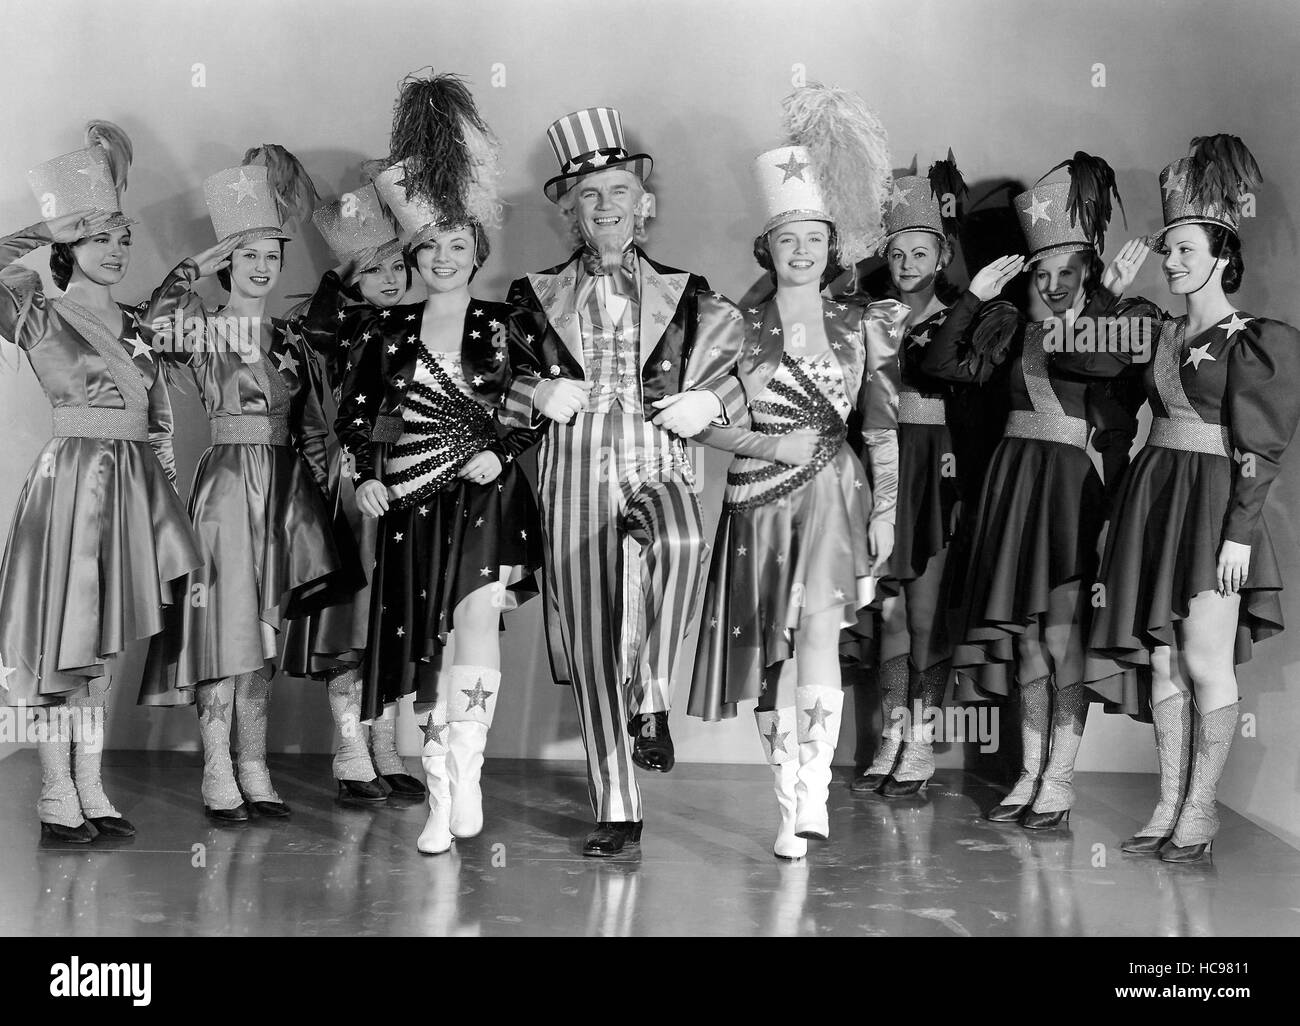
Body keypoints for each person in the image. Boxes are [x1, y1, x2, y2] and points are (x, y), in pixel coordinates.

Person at [501, 105, 747, 856]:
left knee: (678, 536)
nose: (605, 207)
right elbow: (491, 383)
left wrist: (714, 399)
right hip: (572, 463)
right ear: (572, 213)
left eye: (617, 192)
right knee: (596, 634)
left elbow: (741, 373)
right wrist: (534, 395)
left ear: (644, 205)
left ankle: (655, 695)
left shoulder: (689, 292)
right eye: (589, 196)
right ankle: (617, 807)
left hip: (654, 452)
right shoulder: (531, 294)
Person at [688, 84, 902, 859]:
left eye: (815, 238)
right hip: (758, 500)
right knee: (768, 647)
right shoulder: (732, 323)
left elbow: (881, 423)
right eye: (790, 240)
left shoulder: (863, 323)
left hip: (837, 494)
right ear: (768, 248)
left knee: (819, 634)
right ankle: (786, 797)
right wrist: (766, 447)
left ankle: (809, 798)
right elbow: (705, 423)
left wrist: (885, 512)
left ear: (831, 244)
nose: (803, 251)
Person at [1082, 136, 1300, 862]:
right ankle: (1169, 805)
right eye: (1166, 249)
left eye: (1181, 249)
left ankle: (1200, 811)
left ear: (1219, 251)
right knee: (1163, 662)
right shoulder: (1157, 329)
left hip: (1213, 507)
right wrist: (1106, 294)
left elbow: (1261, 449)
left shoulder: (1255, 341)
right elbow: (1078, 354)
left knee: (1206, 659)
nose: (1170, 261)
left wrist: (1239, 534)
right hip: (1155, 498)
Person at [343, 71, 542, 854]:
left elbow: (539, 398)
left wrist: (504, 451)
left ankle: (469, 774)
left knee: (477, 623)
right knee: (423, 634)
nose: (446, 256)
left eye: (459, 244)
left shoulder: (507, 322)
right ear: (414, 251)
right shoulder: (383, 332)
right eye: (431, 245)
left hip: (487, 495)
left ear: (476, 248)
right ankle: (437, 786)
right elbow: (363, 416)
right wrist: (365, 474)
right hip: (411, 497)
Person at [920, 152, 1139, 828]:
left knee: (1063, 635)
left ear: (1086, 270)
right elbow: (944, 364)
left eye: (1065, 273)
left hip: (1073, 489)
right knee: (1027, 642)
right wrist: (979, 298)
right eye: (1041, 273)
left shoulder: (1122, 319)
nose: (1050, 283)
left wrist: (1103, 298)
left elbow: (1096, 360)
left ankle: (1062, 779)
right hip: (1016, 488)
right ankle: (1029, 771)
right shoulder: (1011, 327)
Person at [0, 121, 201, 843]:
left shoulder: (142, 322)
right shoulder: (36, 312)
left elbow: (157, 416)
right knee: (67, 641)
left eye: (121, 237)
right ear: (66, 246)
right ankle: (55, 791)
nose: (116, 250)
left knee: (106, 643)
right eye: (97, 238)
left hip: (132, 484)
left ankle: (91, 782)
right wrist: (44, 225)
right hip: (72, 483)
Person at [139, 146, 340, 822]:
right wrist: (198, 262)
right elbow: (149, 326)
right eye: (247, 253)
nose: (260, 266)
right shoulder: (199, 328)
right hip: (225, 486)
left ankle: (255, 764)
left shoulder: (293, 340)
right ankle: (217, 767)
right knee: (223, 628)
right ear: (229, 259)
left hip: (284, 494)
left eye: (270, 256)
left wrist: (323, 498)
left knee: (264, 636)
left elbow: (315, 428)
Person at [281, 172, 425, 804]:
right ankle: (349, 750)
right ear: (350, 278)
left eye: (396, 265)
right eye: (373, 270)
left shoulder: (427, 326)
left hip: (416, 478)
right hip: (353, 489)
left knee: (395, 619)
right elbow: (313, 420)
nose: (390, 280)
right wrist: (330, 483)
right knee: (355, 620)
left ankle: (387, 746)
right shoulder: (325, 339)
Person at [851, 152, 967, 798]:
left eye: (920, 252)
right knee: (890, 610)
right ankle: (893, 732)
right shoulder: (868, 314)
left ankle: (920, 735)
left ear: (942, 255)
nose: (906, 264)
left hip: (938, 465)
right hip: (883, 463)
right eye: (897, 253)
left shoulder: (964, 315)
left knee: (927, 611)